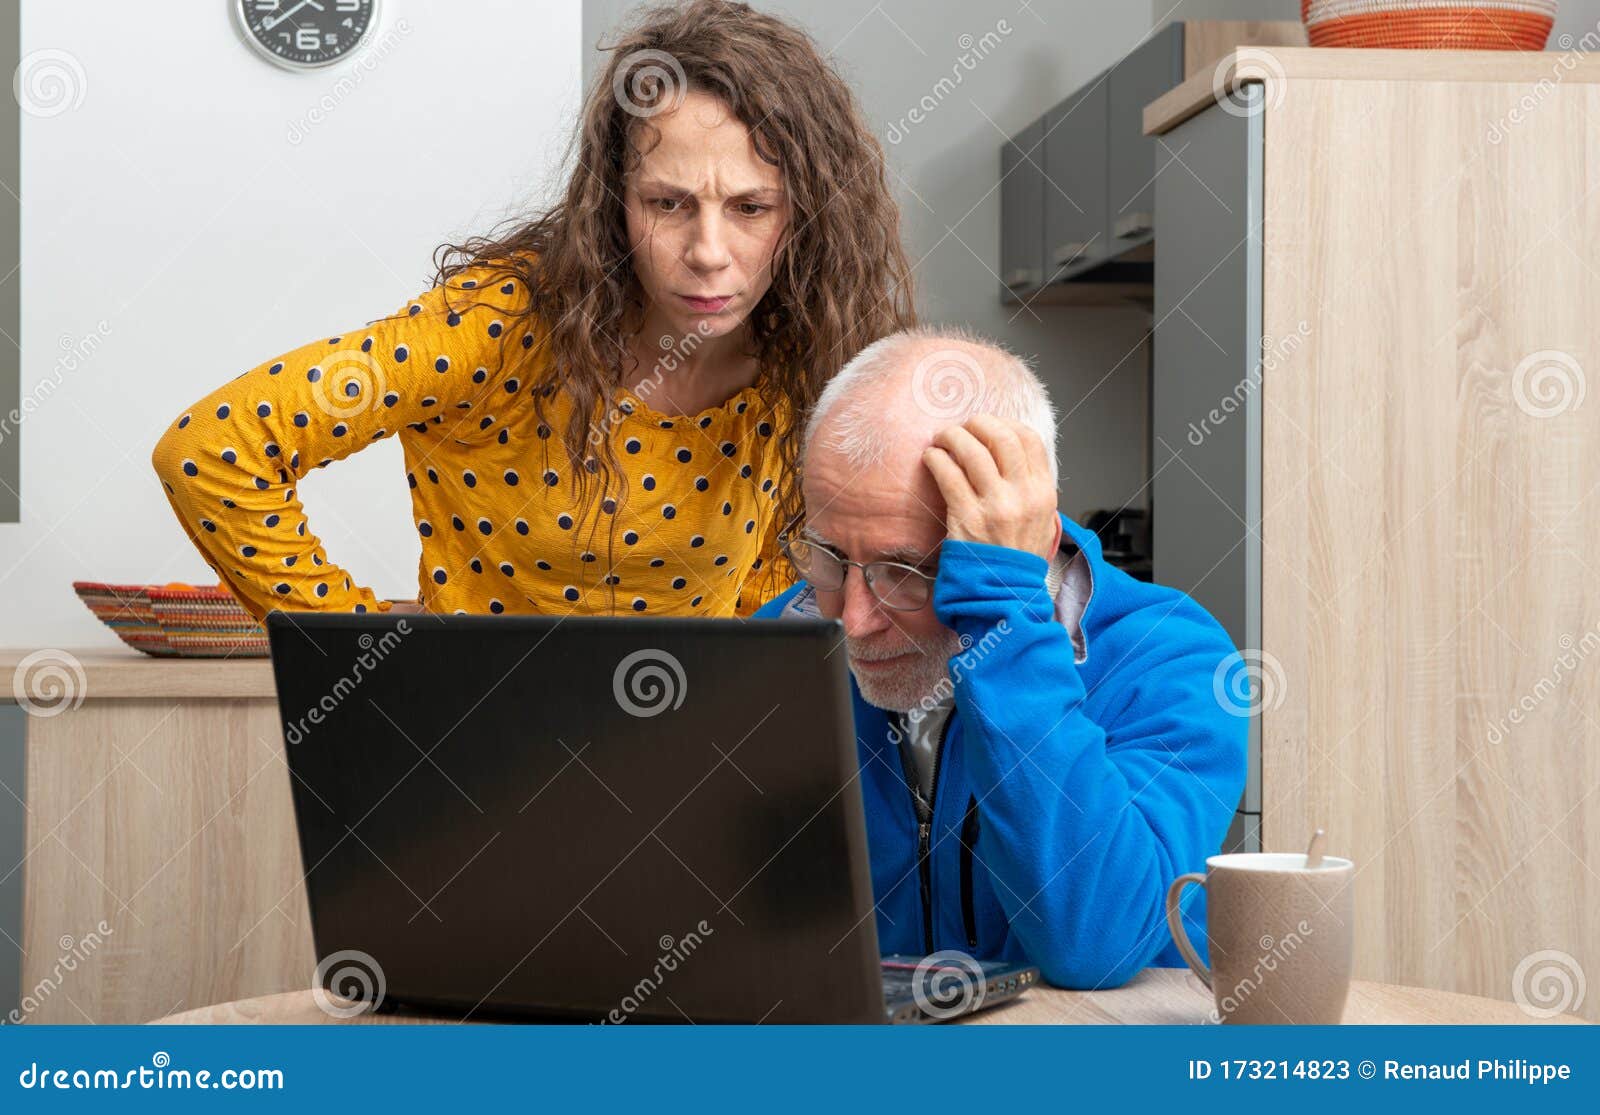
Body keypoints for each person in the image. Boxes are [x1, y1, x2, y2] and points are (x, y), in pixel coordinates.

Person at [151, 0, 913, 620]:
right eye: (667, 203)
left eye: (751, 207)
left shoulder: (805, 354)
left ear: (805, 214)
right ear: (614, 202)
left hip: (684, 766)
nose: (709, 250)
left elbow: (765, 587)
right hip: (471, 757)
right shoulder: (500, 325)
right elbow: (212, 449)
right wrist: (355, 647)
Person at [757, 326, 1247, 987]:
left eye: (905, 569)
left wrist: (1005, 620)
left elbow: (1094, 942)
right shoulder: (783, 643)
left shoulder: (1175, 661)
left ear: (1025, 545)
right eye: (828, 555)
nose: (851, 619)